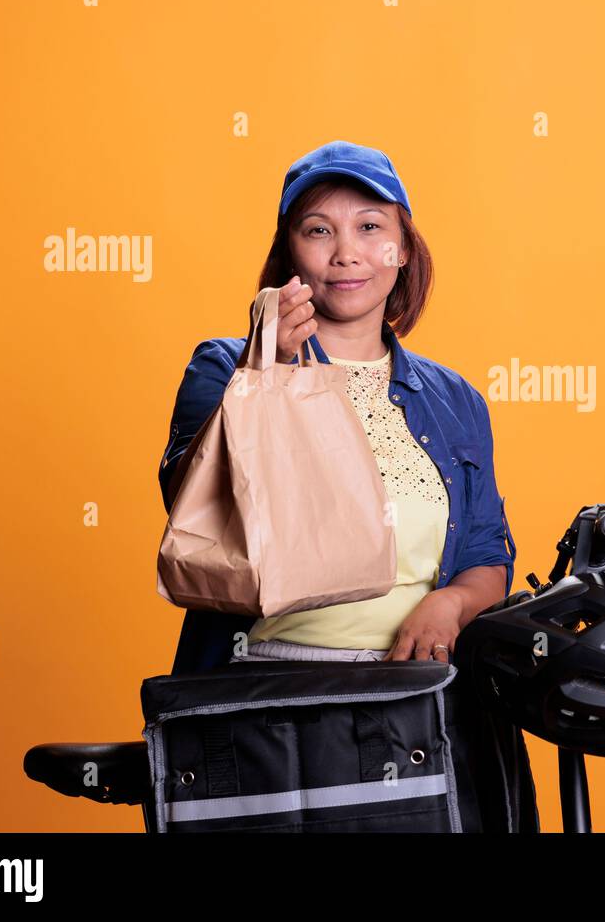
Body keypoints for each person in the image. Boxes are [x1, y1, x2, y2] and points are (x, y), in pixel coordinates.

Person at [157, 141, 519, 673]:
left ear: (404, 250)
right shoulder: (224, 368)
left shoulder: (455, 400)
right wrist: (266, 372)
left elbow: (486, 556)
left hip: (414, 694)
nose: (346, 252)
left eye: (370, 228)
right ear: (289, 255)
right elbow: (189, 503)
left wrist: (450, 603)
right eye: (319, 230)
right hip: (264, 691)